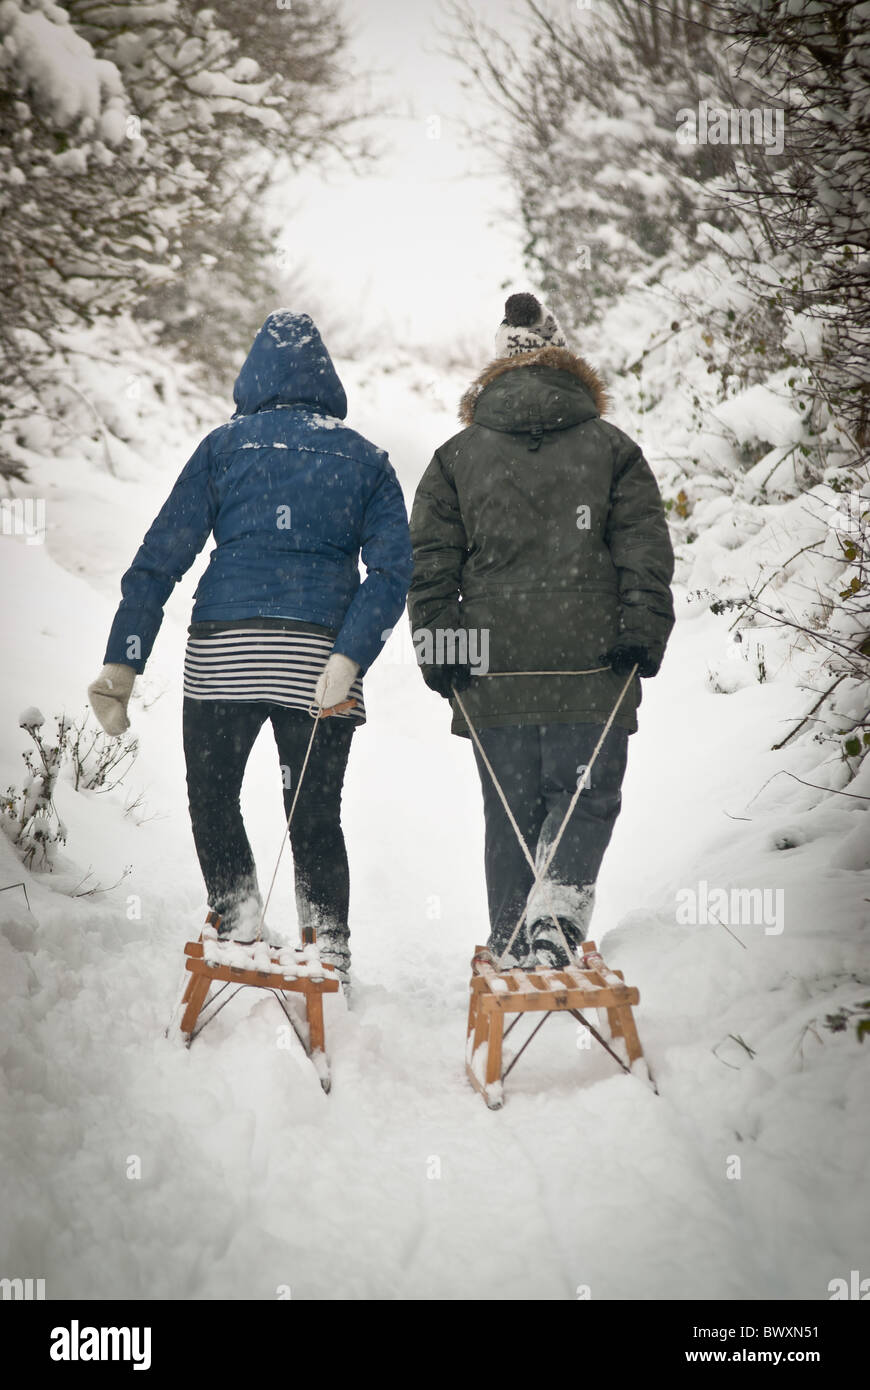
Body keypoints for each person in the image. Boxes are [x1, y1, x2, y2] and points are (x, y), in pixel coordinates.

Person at [88, 310, 412, 987]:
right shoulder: (366, 460)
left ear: (252, 376)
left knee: (213, 796)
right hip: (318, 664)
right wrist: (350, 657)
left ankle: (235, 915)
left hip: (222, 656)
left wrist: (123, 660)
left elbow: (160, 559)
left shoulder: (223, 447)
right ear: (327, 380)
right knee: (315, 815)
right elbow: (391, 574)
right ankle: (328, 947)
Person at [408, 293, 674, 970]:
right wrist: (641, 627)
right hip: (593, 666)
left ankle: (511, 941)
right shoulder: (615, 450)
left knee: (510, 814)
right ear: (569, 368)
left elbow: (432, 565)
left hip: (493, 670)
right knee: (587, 796)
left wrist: (441, 648)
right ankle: (554, 921)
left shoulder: (454, 457)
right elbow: (642, 548)